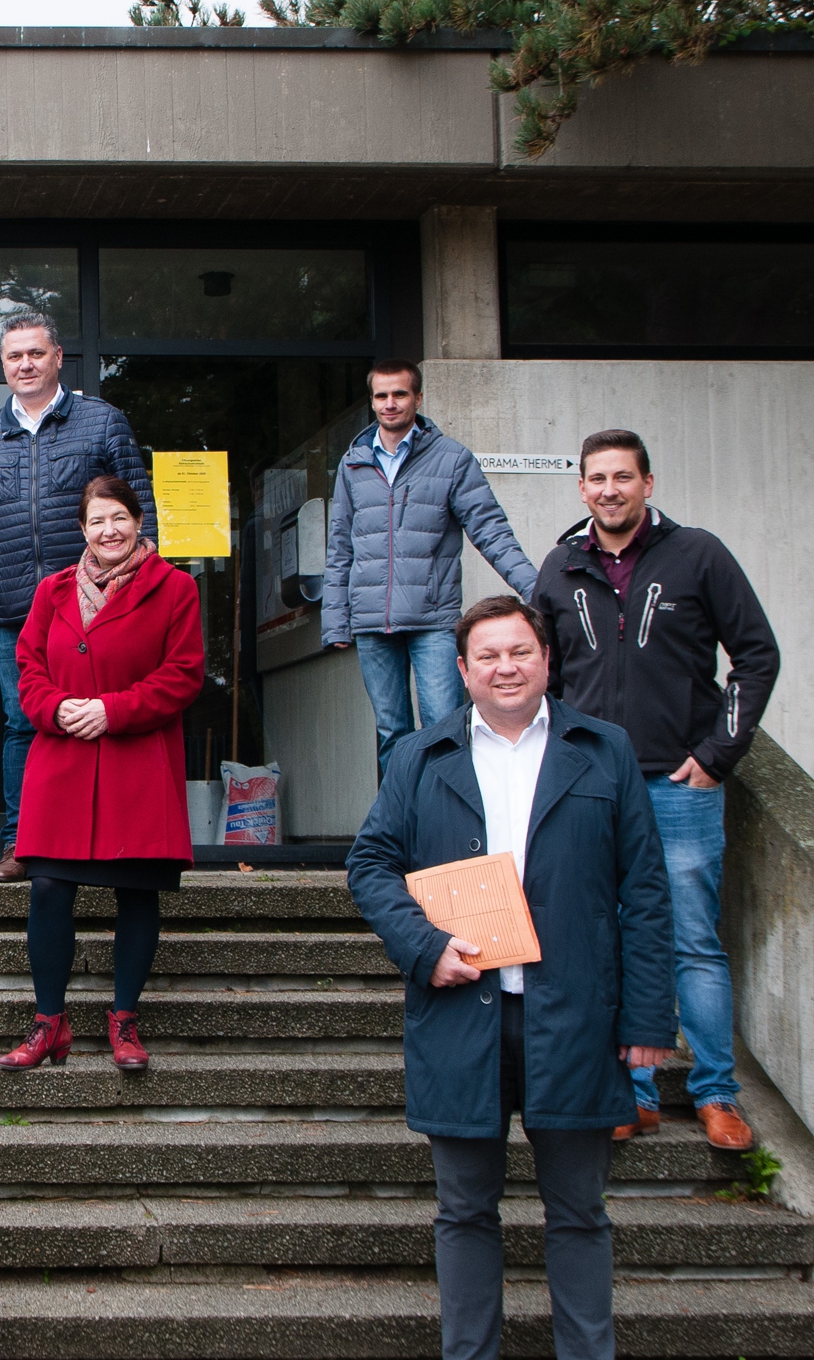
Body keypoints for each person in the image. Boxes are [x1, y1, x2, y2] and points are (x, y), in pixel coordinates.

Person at [348, 595, 675, 1360]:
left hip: (576, 1016)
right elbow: (370, 865)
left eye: (520, 652)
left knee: (580, 1212)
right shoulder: (420, 757)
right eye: (488, 656)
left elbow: (646, 891)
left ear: (547, 661)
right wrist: (424, 947)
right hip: (462, 1014)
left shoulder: (605, 751)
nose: (506, 668)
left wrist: (648, 1019)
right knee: (464, 1210)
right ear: (462, 671)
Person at [530, 430, 779, 1151]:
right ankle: (631, 1094)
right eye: (597, 478)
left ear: (647, 482)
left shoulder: (699, 554)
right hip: (593, 784)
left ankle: (715, 1093)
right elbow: (542, 674)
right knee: (606, 938)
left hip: (679, 782)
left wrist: (718, 753)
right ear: (581, 488)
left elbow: (756, 655)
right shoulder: (559, 567)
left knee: (692, 939)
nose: (609, 490)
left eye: (623, 477)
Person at [0, 477, 204, 1072]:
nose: (108, 531)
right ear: (82, 529)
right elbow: (28, 666)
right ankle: (49, 1023)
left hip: (137, 764)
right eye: (96, 521)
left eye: (118, 518)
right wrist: (55, 707)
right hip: (62, 761)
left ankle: (124, 1020)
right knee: (47, 888)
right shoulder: (52, 590)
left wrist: (113, 710)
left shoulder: (176, 588)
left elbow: (183, 673)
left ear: (138, 521)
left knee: (137, 891)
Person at [0, 310, 157, 883]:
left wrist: (139, 591)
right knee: (23, 725)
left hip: (98, 607)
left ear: (58, 357)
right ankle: (22, 842)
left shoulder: (102, 422)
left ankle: (109, 839)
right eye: (14, 356)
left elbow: (140, 511)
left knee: (103, 717)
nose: (25, 364)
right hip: (13, 612)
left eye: (35, 353)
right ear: (3, 365)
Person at [323, 360, 539, 778]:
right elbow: (340, 545)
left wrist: (538, 589)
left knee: (444, 728)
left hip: (433, 620)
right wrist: (336, 621)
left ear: (418, 399)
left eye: (399, 394)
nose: (390, 403)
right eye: (381, 395)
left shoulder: (452, 459)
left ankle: (449, 814)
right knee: (391, 733)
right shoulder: (353, 464)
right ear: (372, 402)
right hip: (371, 622)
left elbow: (490, 530)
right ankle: (399, 817)